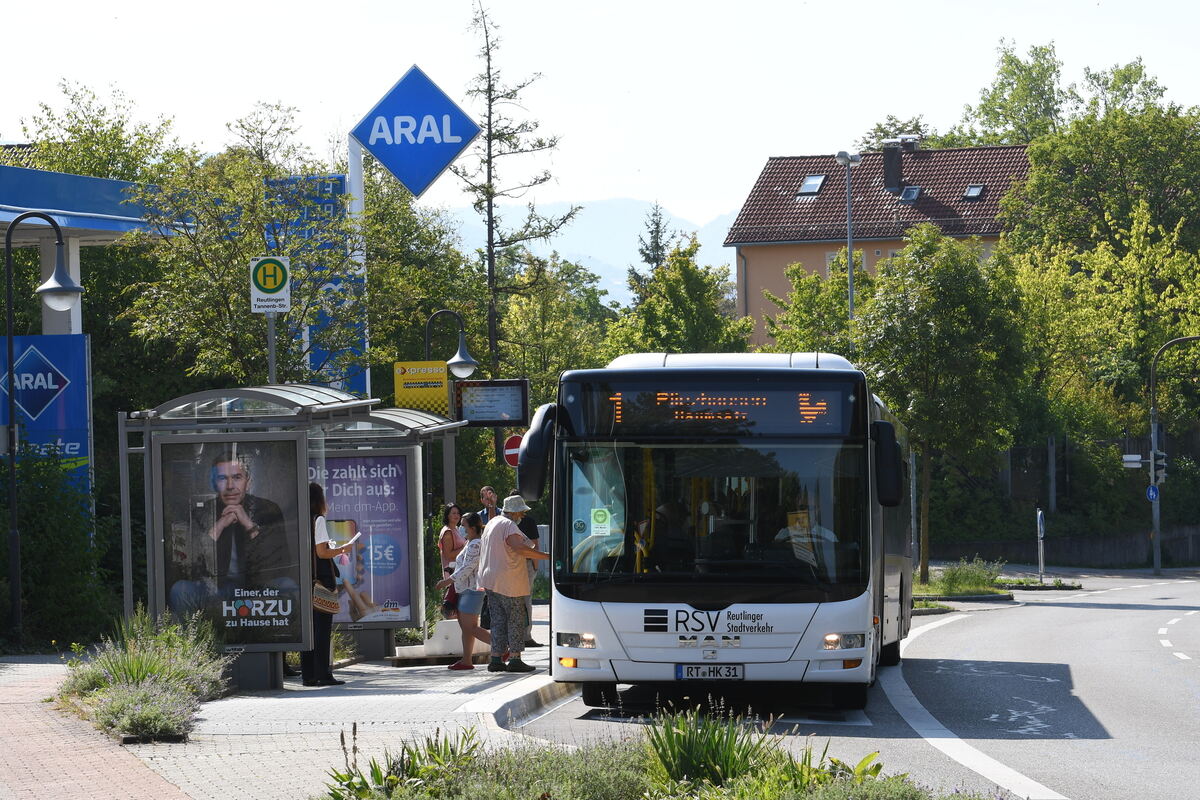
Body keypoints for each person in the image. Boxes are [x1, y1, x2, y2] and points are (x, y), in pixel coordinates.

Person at [168, 450, 295, 617]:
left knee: (288, 585)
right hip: (215, 590)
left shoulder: (267, 509)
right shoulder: (204, 512)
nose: (230, 486)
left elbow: (278, 561)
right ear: (215, 483)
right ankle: (193, 642)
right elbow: (192, 563)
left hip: (257, 589)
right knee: (179, 590)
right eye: (222, 478)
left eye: (237, 477)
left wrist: (249, 525)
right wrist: (219, 525)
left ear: (247, 482)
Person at [477, 494, 549, 672]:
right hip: (508, 581)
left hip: (491, 580)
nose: (523, 516)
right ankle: (515, 658)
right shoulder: (509, 525)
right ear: (515, 512)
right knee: (515, 619)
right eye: (521, 513)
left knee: (498, 620)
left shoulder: (493, 523)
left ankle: (496, 659)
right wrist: (548, 557)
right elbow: (519, 548)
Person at [303, 482, 356, 687]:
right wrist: (343, 549)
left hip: (304, 579)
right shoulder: (318, 520)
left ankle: (308, 674)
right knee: (322, 629)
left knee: (308, 630)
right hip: (320, 581)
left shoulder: (301, 519)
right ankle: (323, 673)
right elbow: (322, 553)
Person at [435, 511, 492, 670]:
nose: (461, 527)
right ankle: (466, 660)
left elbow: (467, 568)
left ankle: (501, 647)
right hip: (465, 589)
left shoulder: (475, 544)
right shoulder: (470, 542)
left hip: (471, 590)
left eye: (464, 525)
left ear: (472, 528)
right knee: (466, 627)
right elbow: (462, 565)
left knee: (470, 627)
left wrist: (446, 581)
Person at [508, 489, 543, 648]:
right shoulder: (508, 523)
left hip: (519, 563)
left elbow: (534, 543)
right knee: (522, 600)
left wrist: (534, 566)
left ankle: (525, 635)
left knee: (522, 599)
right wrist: (536, 565)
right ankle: (523, 636)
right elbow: (535, 544)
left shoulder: (526, 521)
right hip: (521, 563)